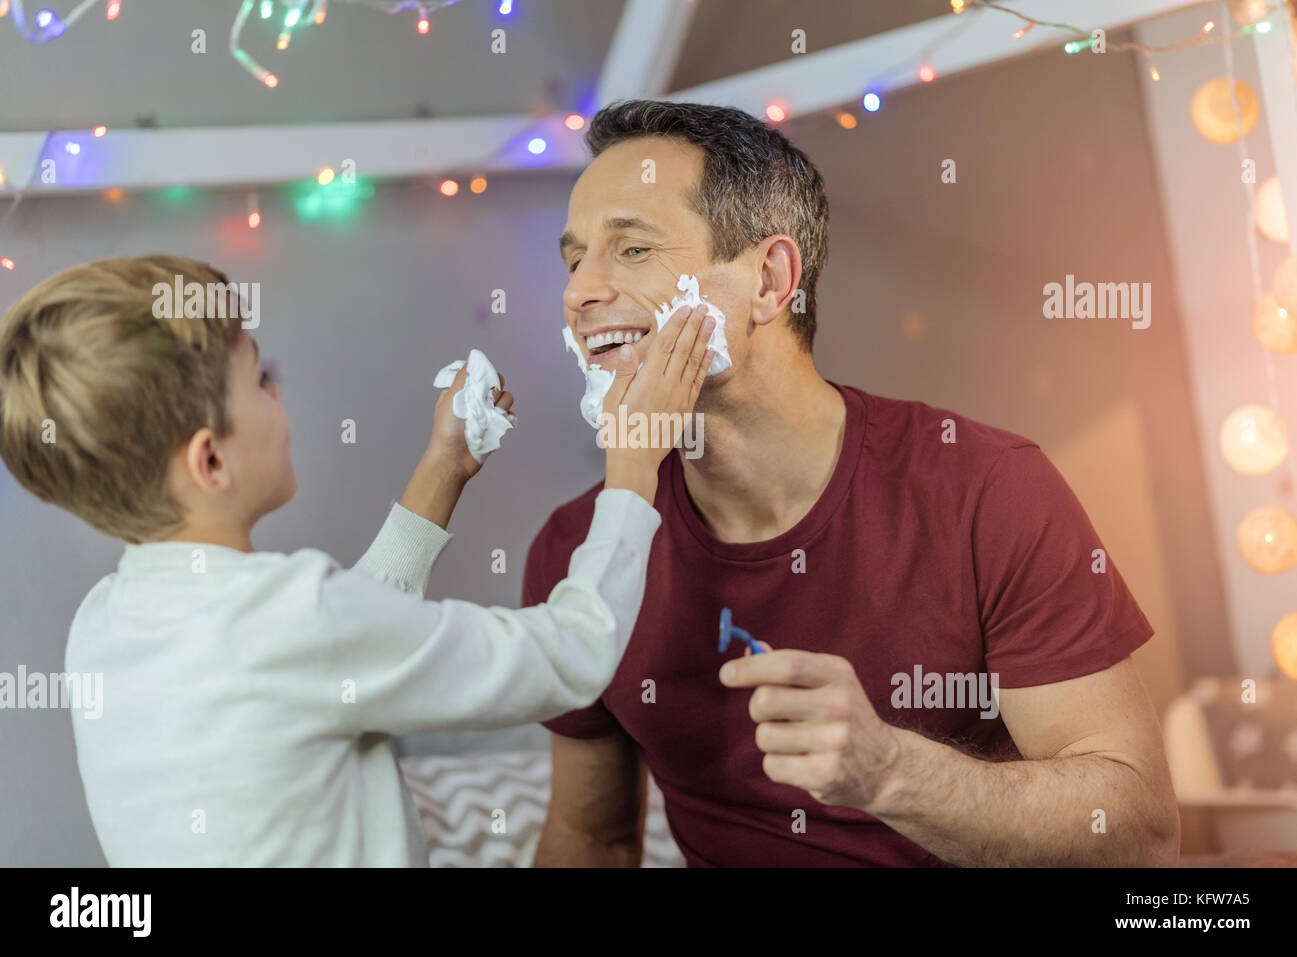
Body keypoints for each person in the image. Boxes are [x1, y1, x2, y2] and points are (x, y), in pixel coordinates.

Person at [527, 100, 1180, 867]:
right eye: (575, 260)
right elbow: (592, 838)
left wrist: (891, 772)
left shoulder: (986, 490)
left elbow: (1141, 834)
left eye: (632, 249)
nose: (580, 292)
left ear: (770, 280)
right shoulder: (580, 552)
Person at [0, 254, 713, 865]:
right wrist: (633, 464)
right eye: (260, 379)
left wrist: (443, 468)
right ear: (211, 459)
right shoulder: (297, 616)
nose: (279, 391)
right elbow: (572, 656)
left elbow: (349, 648)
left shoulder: (103, 624)